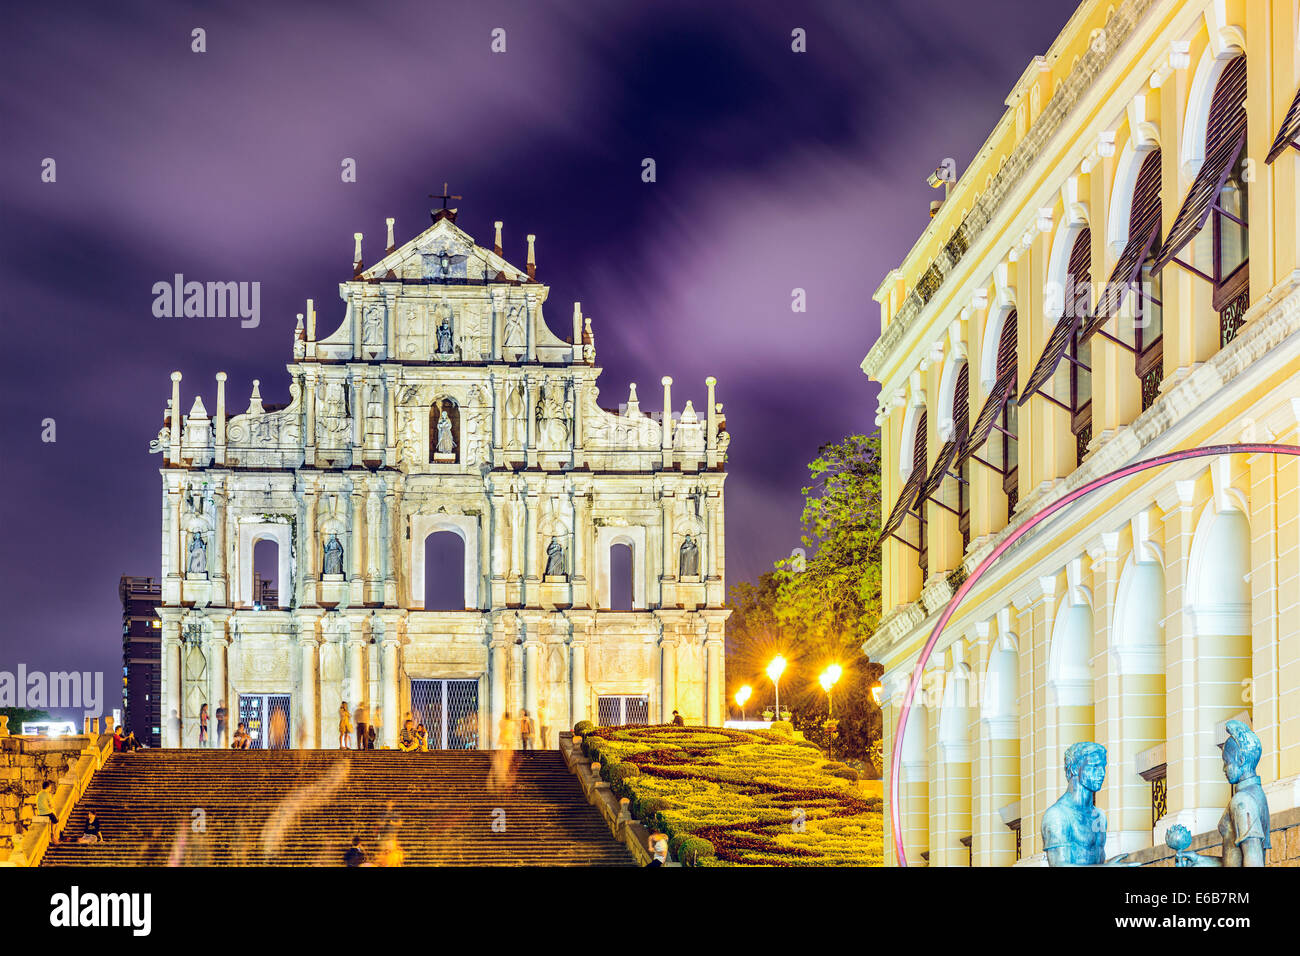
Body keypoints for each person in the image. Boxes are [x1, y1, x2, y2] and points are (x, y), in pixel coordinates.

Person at [1171, 720, 1271, 867]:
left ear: (1241, 760)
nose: (1224, 769)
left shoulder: (1243, 801)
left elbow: (1253, 859)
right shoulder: (1255, 794)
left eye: (1227, 762)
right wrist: (1200, 861)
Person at [1041, 741, 1134, 866]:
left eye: (1103, 766)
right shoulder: (1057, 815)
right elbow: (1060, 865)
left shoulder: (1100, 816)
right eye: (1094, 767)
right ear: (1074, 769)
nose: (1101, 773)